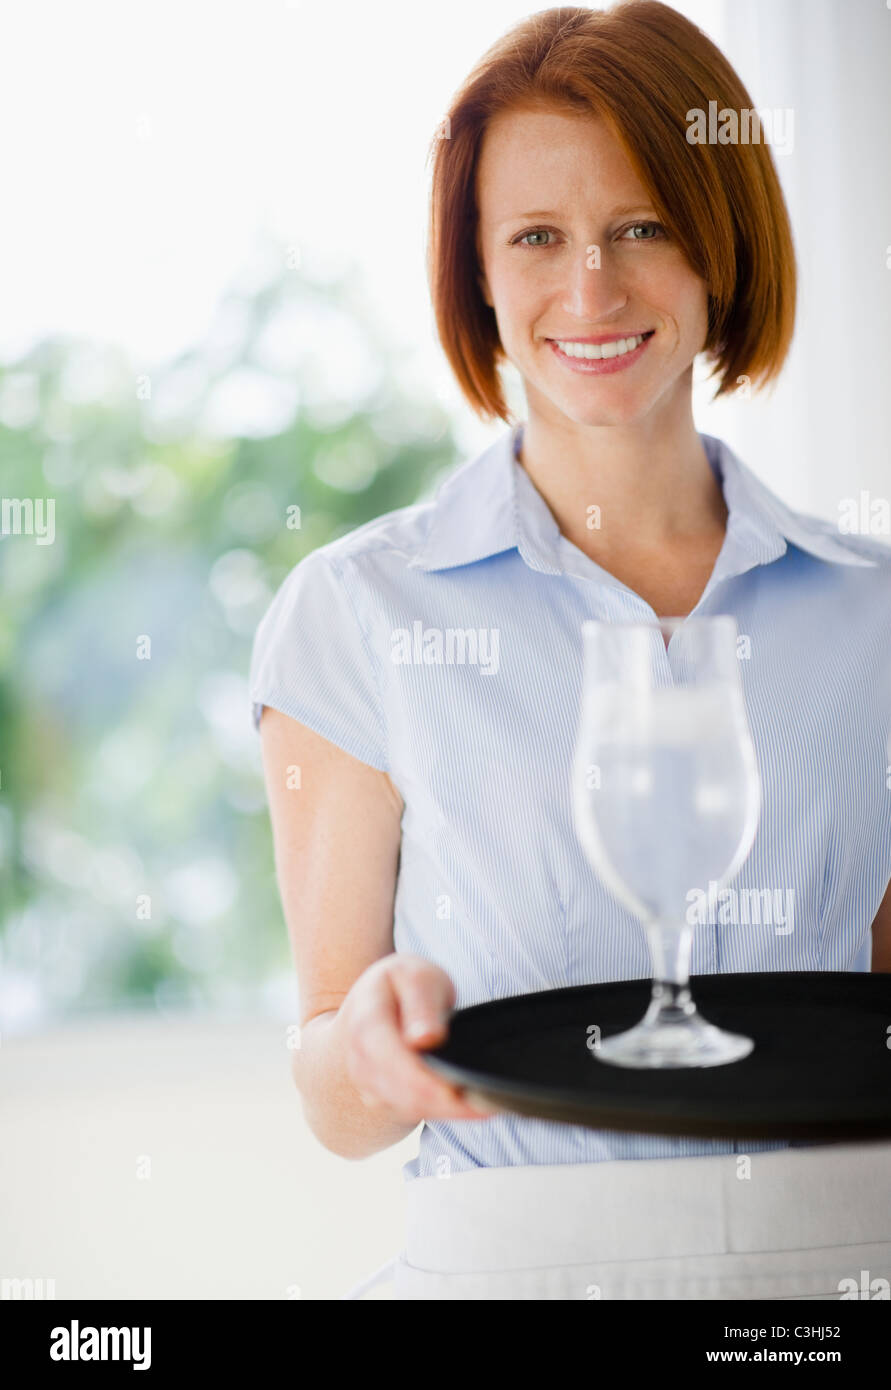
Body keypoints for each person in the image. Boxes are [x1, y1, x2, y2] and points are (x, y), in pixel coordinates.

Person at [249, 1, 891, 1299]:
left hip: (842, 1269)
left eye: (642, 226)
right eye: (536, 237)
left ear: (721, 246)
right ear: (477, 272)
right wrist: (371, 1052)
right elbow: (333, 1088)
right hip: (511, 1274)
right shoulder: (359, 615)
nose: (590, 289)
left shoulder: (874, 614)